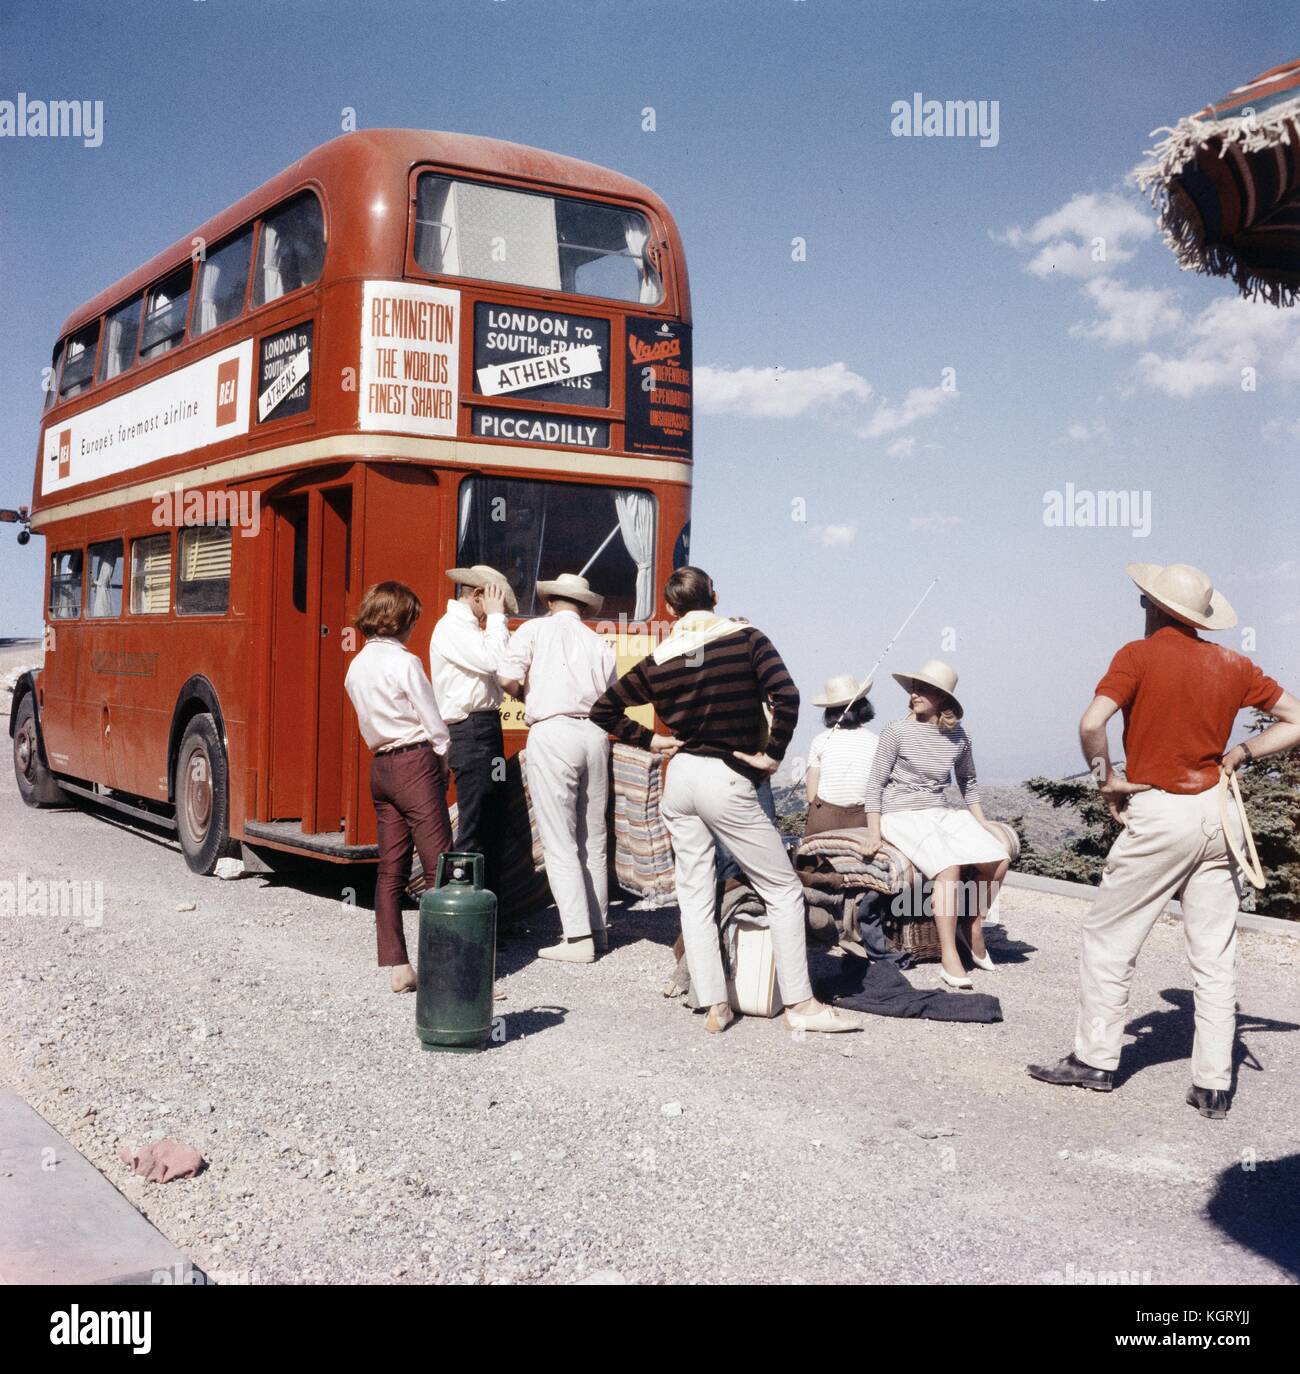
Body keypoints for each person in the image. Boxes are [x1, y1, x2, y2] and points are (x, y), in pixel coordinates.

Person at [1028, 562, 1300, 1119]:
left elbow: (1090, 723)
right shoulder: (1234, 663)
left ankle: (1096, 1061)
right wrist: (1241, 754)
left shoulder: (1137, 655)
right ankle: (1212, 1083)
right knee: (1215, 952)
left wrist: (1106, 778)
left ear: (1153, 606)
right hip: (1217, 813)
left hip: (1160, 811)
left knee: (1110, 937)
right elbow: (1296, 719)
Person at [590, 566, 856, 1036]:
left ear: (671, 609)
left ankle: (715, 1004)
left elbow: (602, 710)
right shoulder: (746, 636)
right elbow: (787, 697)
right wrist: (772, 756)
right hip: (727, 777)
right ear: (714, 594)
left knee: (693, 894)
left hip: (681, 779)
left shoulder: (662, 655)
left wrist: (651, 741)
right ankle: (802, 1004)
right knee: (782, 889)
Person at [862, 660, 1010, 989]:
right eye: (914, 687)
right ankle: (948, 957)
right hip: (900, 814)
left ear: (943, 699)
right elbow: (874, 785)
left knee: (998, 858)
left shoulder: (958, 736)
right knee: (948, 868)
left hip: (939, 811)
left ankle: (972, 924)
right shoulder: (895, 730)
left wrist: (981, 822)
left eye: (925, 689)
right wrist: (873, 832)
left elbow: (968, 782)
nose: (915, 693)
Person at [497, 573, 617, 964]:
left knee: (559, 837)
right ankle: (598, 930)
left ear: (550, 601)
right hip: (595, 735)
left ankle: (577, 937)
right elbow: (612, 699)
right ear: (582, 606)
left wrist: (527, 689)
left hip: (553, 730)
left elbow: (507, 680)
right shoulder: (600, 642)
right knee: (593, 837)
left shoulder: (534, 630)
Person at [344, 581, 452, 994]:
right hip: (414, 761)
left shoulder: (356, 666)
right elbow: (433, 722)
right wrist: (442, 760)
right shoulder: (405, 663)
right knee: (440, 867)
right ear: (402, 621)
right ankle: (448, 967)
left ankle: (399, 965)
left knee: (390, 869)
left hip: (381, 767)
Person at [429, 565, 516, 893]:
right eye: (497, 603)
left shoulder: (465, 629)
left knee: (490, 821)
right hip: (472, 730)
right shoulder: (453, 628)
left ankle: (490, 912)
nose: (500, 612)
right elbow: (498, 662)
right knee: (476, 823)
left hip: (483, 729)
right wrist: (496, 619)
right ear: (478, 596)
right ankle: (465, 909)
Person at [804, 673, 879, 836]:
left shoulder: (820, 740)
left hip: (825, 820)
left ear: (829, 711)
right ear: (863, 707)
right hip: (864, 820)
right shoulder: (876, 741)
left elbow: (811, 796)